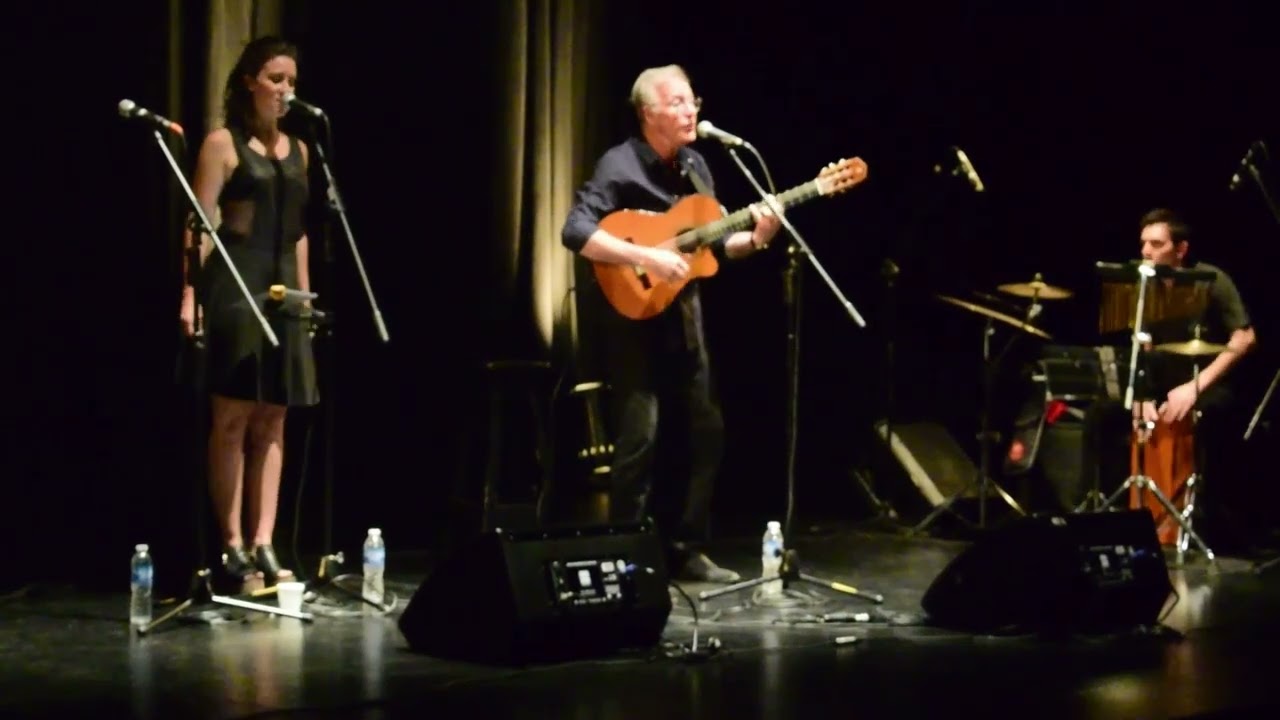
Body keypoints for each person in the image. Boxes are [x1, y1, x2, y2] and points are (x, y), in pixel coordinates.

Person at [560, 65, 781, 583]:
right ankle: (622, 555)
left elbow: (722, 246)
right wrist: (652, 259)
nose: (691, 111)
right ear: (648, 113)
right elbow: (576, 230)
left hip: (687, 321)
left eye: (693, 101)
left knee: (707, 433)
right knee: (641, 439)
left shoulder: (698, 166)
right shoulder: (618, 166)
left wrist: (761, 234)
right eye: (679, 102)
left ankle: (685, 546)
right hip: (635, 323)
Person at [179, 36, 319, 587]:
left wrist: (306, 296)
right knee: (233, 416)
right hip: (237, 283)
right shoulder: (222, 143)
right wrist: (191, 294)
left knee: (275, 416)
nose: (285, 91)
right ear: (249, 82)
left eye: (292, 82)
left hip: (285, 288)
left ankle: (264, 541)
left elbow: (299, 231)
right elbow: (200, 226)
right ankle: (231, 543)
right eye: (275, 79)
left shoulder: (301, 150)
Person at [1090, 208, 1257, 545]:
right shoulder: (1141, 284)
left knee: (1213, 419)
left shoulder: (1211, 279)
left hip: (1205, 383)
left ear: (1180, 250)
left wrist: (1194, 388)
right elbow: (1140, 348)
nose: (1146, 252)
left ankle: (1205, 527)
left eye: (1156, 244)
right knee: (1100, 417)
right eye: (1143, 244)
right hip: (1159, 385)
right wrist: (1140, 395)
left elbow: (1245, 338)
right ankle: (1106, 520)